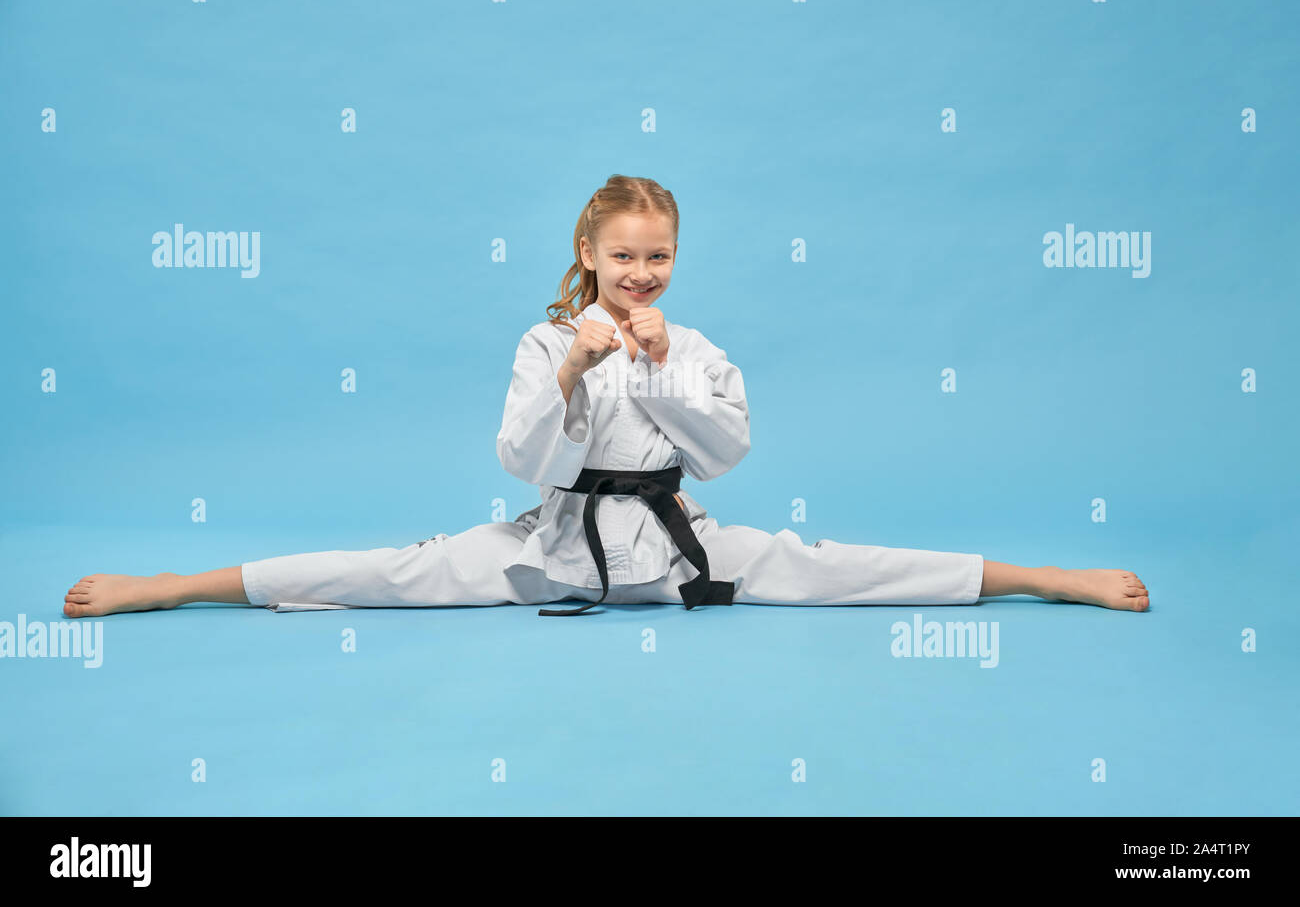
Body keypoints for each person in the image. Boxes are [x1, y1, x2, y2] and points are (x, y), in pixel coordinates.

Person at [61, 175, 1149, 619]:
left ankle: (1044, 578)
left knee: (833, 569)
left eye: (658, 257)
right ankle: (174, 585)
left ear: (675, 259)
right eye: (623, 255)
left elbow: (723, 454)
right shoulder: (544, 339)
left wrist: (664, 359)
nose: (640, 273)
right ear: (588, 250)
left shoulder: (697, 341)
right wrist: (577, 370)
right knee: (391, 569)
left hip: (680, 542)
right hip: (553, 538)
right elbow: (519, 463)